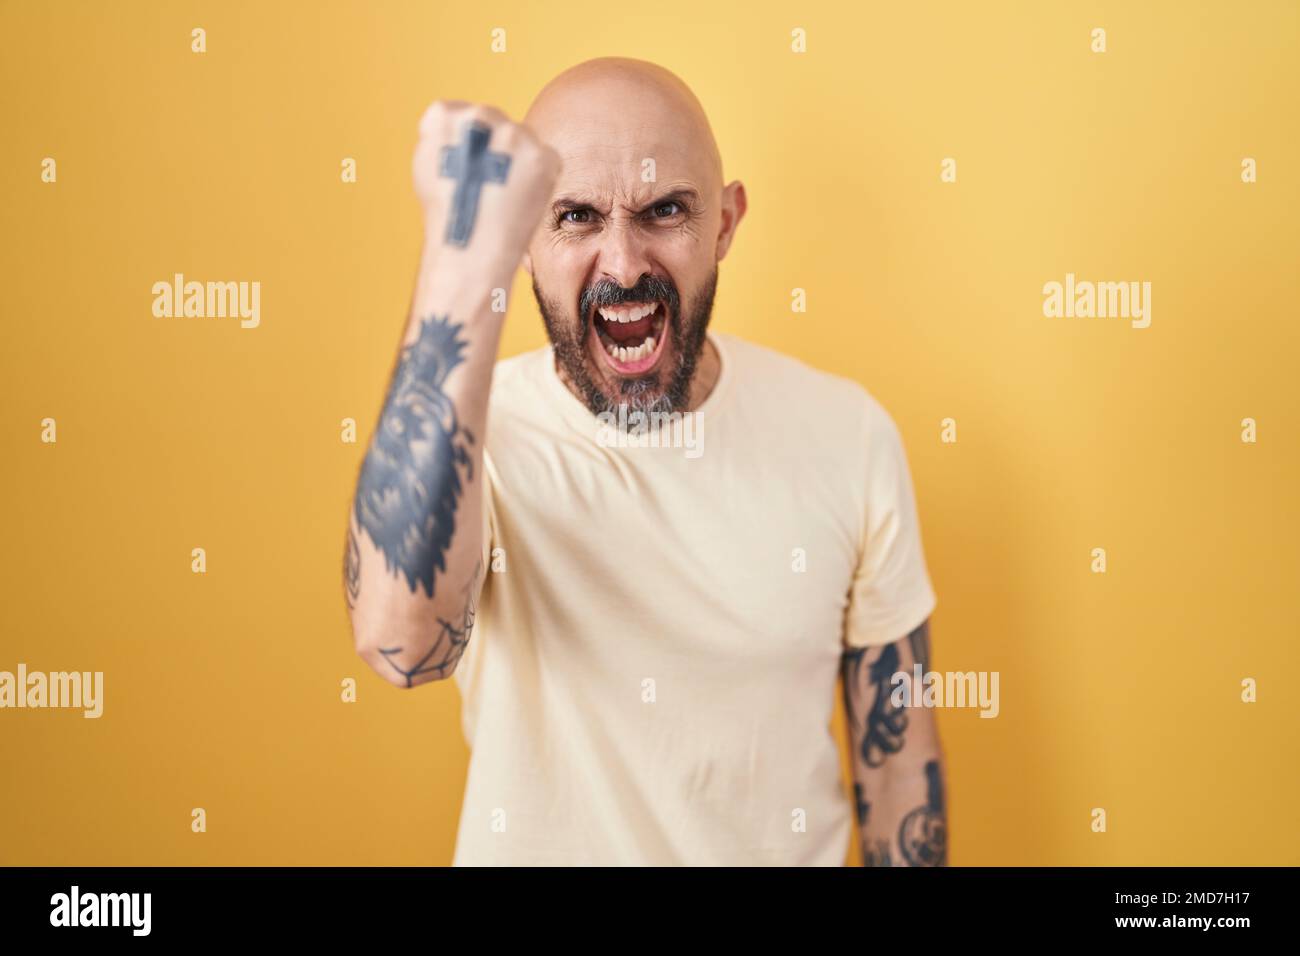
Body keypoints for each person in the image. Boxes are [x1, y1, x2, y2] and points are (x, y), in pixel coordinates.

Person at [342, 56, 945, 866]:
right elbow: (401, 643)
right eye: (575, 218)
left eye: (664, 210)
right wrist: (461, 263)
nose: (623, 265)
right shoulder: (477, 439)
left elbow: (900, 766)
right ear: (524, 241)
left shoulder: (848, 433)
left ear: (726, 224)